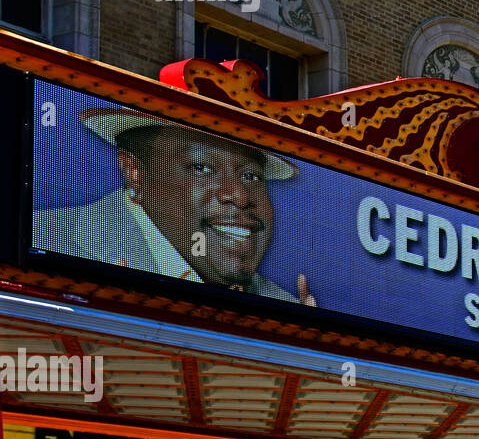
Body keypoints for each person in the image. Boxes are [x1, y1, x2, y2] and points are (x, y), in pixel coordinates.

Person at [32, 107, 315, 305]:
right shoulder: (41, 238)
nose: (239, 196)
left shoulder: (282, 304)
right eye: (202, 167)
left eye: (251, 176)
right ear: (135, 173)